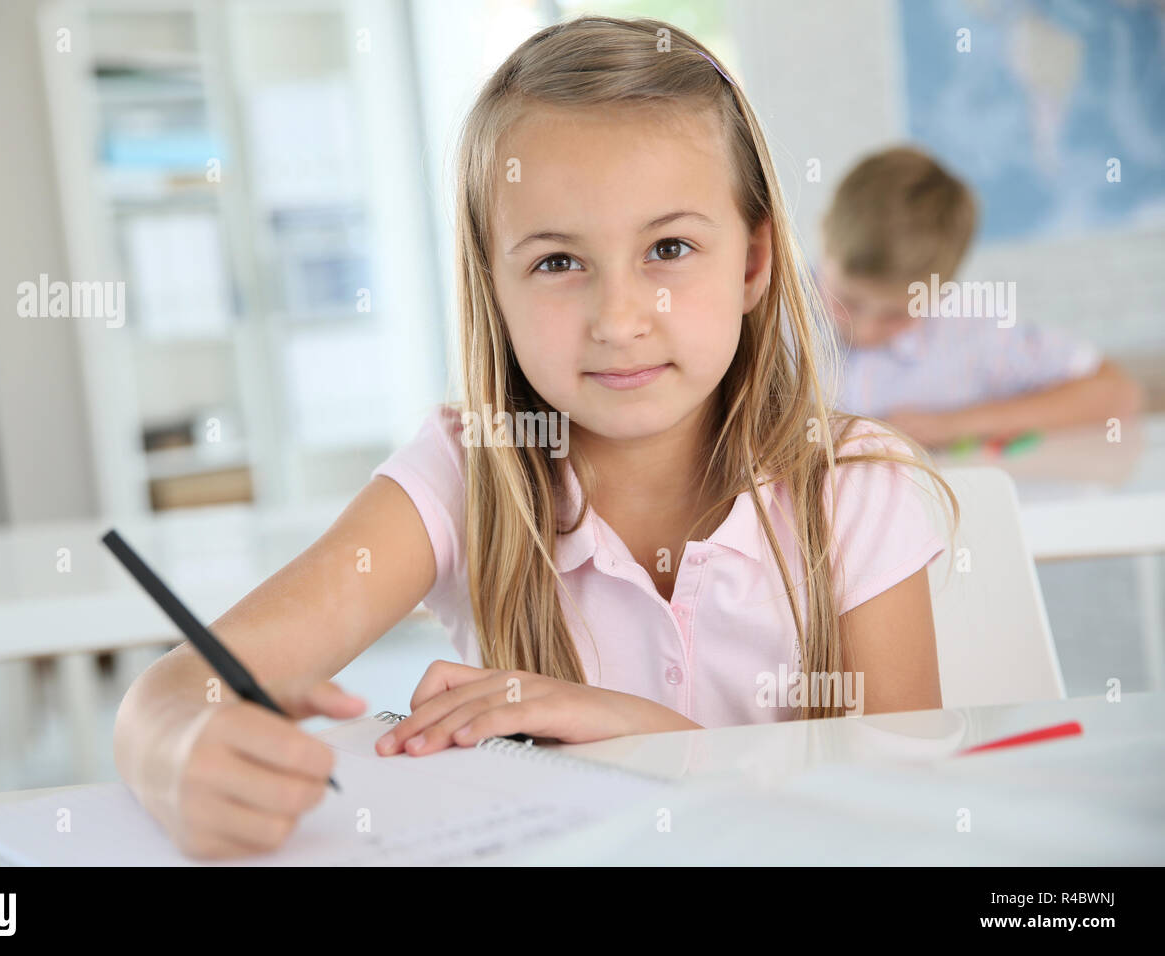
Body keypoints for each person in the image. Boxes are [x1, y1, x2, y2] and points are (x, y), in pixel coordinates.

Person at [114, 15, 959, 860]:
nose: (618, 320)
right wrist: (178, 754)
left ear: (752, 262)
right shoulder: (464, 474)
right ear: (495, 285)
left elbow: (900, 825)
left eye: (668, 248)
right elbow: (173, 692)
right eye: (558, 262)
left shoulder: (853, 487)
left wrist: (643, 736)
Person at [816, 146, 1144, 447]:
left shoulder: (971, 329)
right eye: (849, 300)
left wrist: (952, 425)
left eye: (896, 315)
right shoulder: (784, 312)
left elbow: (1116, 394)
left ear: (940, 292)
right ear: (823, 236)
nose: (864, 330)